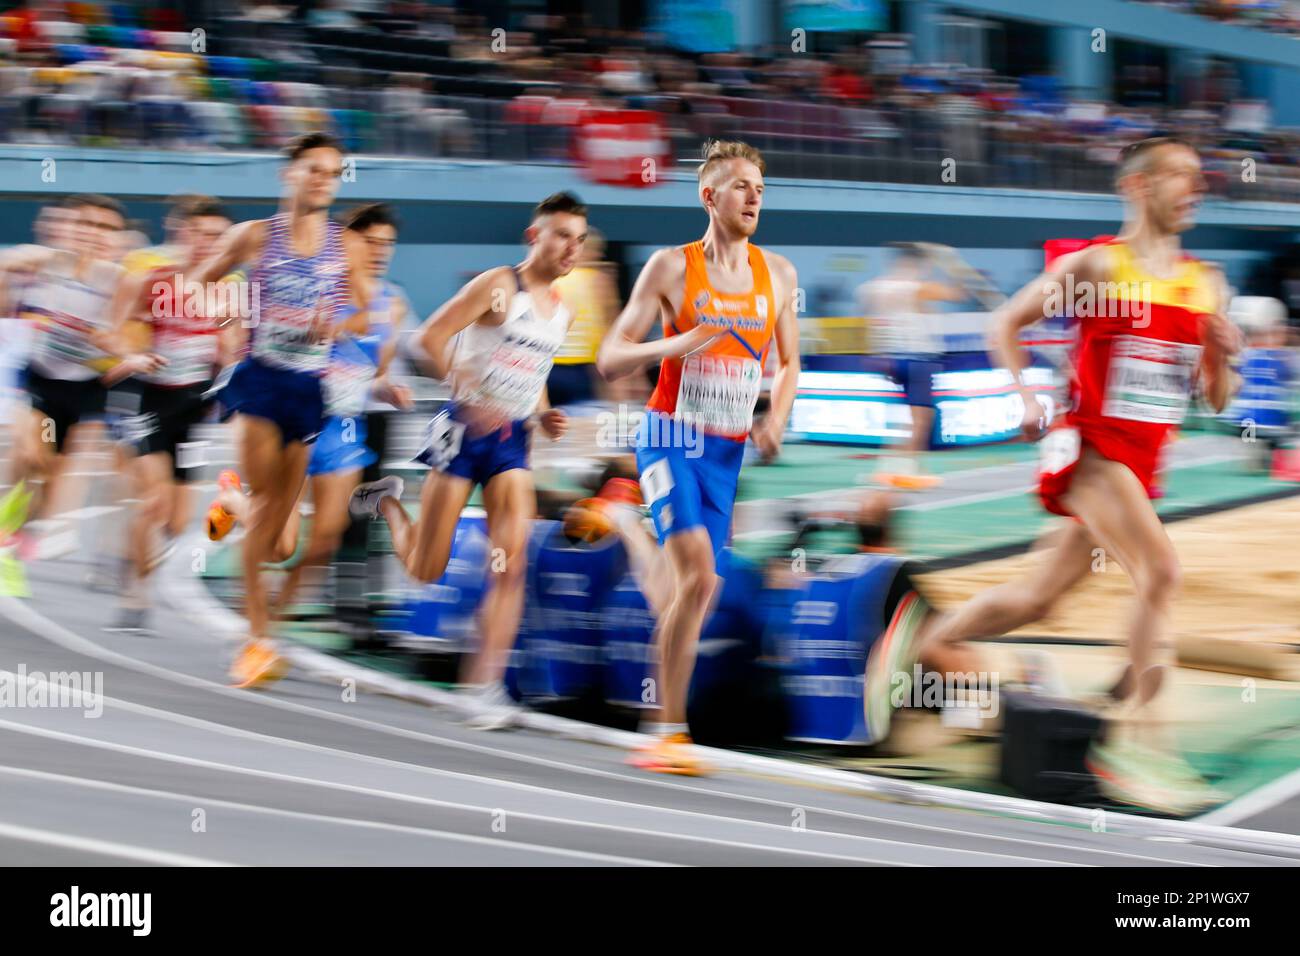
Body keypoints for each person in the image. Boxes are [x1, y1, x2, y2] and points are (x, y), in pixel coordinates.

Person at [905, 136, 1241, 813]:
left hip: (1142, 464)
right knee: (1161, 571)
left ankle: (928, 644)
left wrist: (1223, 356)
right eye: (1180, 175)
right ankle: (1138, 743)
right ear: (1138, 188)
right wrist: (1026, 394)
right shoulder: (1097, 266)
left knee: (1038, 599)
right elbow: (1006, 322)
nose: (1195, 187)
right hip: (1088, 446)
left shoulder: (1206, 282)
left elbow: (1217, 401)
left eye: (1199, 177)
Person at [596, 140, 800, 774]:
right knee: (697, 573)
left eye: (760, 189)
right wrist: (680, 342)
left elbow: (790, 362)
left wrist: (777, 418)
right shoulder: (670, 268)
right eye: (741, 186)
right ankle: (666, 731)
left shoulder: (780, 275)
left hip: (727, 451)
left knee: (695, 589)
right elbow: (609, 356)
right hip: (670, 436)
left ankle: (626, 524)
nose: (754, 198)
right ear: (709, 196)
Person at [349, 192, 583, 728]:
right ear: (535, 235)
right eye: (562, 235)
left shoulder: (563, 311)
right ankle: (387, 501)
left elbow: (535, 371)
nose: (571, 247)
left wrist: (544, 414)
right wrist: (465, 386)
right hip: (460, 432)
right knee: (426, 569)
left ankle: (486, 685)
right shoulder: (501, 286)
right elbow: (426, 339)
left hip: (510, 444)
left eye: (579, 239)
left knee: (512, 564)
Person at [189, 131, 377, 689]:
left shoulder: (346, 246)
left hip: (307, 388)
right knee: (268, 513)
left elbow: (365, 312)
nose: (324, 179)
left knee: (279, 541)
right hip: (259, 380)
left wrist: (336, 324)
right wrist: (228, 315)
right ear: (287, 173)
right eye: (313, 169)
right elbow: (198, 285)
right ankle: (256, 641)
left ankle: (232, 499)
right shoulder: (252, 236)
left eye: (333, 172)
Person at [207, 202, 413, 624]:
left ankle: (272, 625)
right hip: (298, 413)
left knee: (325, 538)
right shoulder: (318, 280)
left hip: (343, 427)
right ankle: (231, 499)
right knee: (279, 545)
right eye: (370, 242)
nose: (379, 252)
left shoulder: (392, 305)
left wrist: (384, 386)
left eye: (388, 244)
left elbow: (371, 369)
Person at [0, 194, 160, 557]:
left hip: (86, 388)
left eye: (106, 228)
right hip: (41, 378)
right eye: (85, 224)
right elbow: (6, 265)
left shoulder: (121, 281)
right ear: (68, 227)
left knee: (50, 476)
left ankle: (20, 531)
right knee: (29, 453)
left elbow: (119, 336)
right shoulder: (40, 261)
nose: (94, 234)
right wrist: (8, 309)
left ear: (119, 239)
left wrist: (124, 351)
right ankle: (4, 532)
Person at [105, 195, 236, 632]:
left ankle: (133, 559)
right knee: (152, 504)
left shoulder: (231, 290)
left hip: (194, 412)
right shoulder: (153, 280)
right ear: (180, 233)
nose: (206, 243)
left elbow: (235, 349)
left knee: (178, 523)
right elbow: (114, 334)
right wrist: (132, 354)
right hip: (149, 402)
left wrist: (230, 365)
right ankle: (135, 597)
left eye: (216, 236)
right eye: (197, 233)